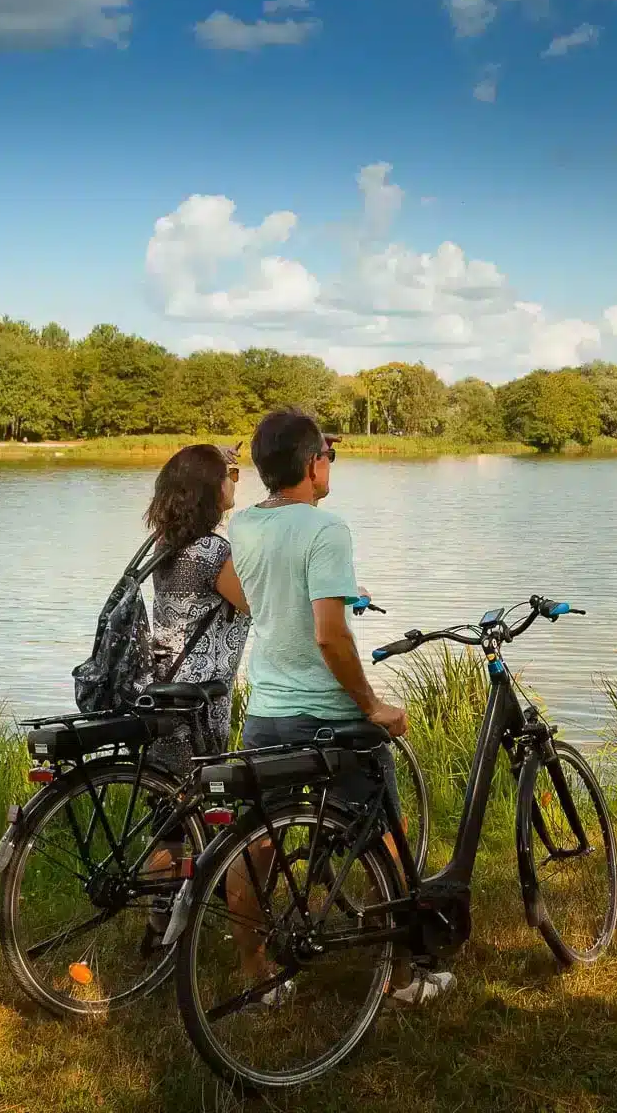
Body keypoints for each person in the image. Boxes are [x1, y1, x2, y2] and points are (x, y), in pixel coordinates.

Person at [227, 406, 453, 1005]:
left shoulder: (245, 524)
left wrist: (330, 594)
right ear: (310, 465)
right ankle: (406, 975)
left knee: (258, 840)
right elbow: (329, 636)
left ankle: (254, 972)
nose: (331, 465)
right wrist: (372, 703)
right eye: (327, 455)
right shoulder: (327, 530)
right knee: (384, 834)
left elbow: (261, 595)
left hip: (267, 710)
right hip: (329, 716)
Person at [139, 443, 252, 941]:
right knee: (190, 810)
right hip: (198, 698)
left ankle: (160, 917)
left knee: (169, 812)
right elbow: (254, 603)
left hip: (163, 687)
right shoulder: (211, 551)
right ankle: (176, 917)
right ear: (210, 488)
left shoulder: (166, 541)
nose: (236, 482)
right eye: (228, 474)